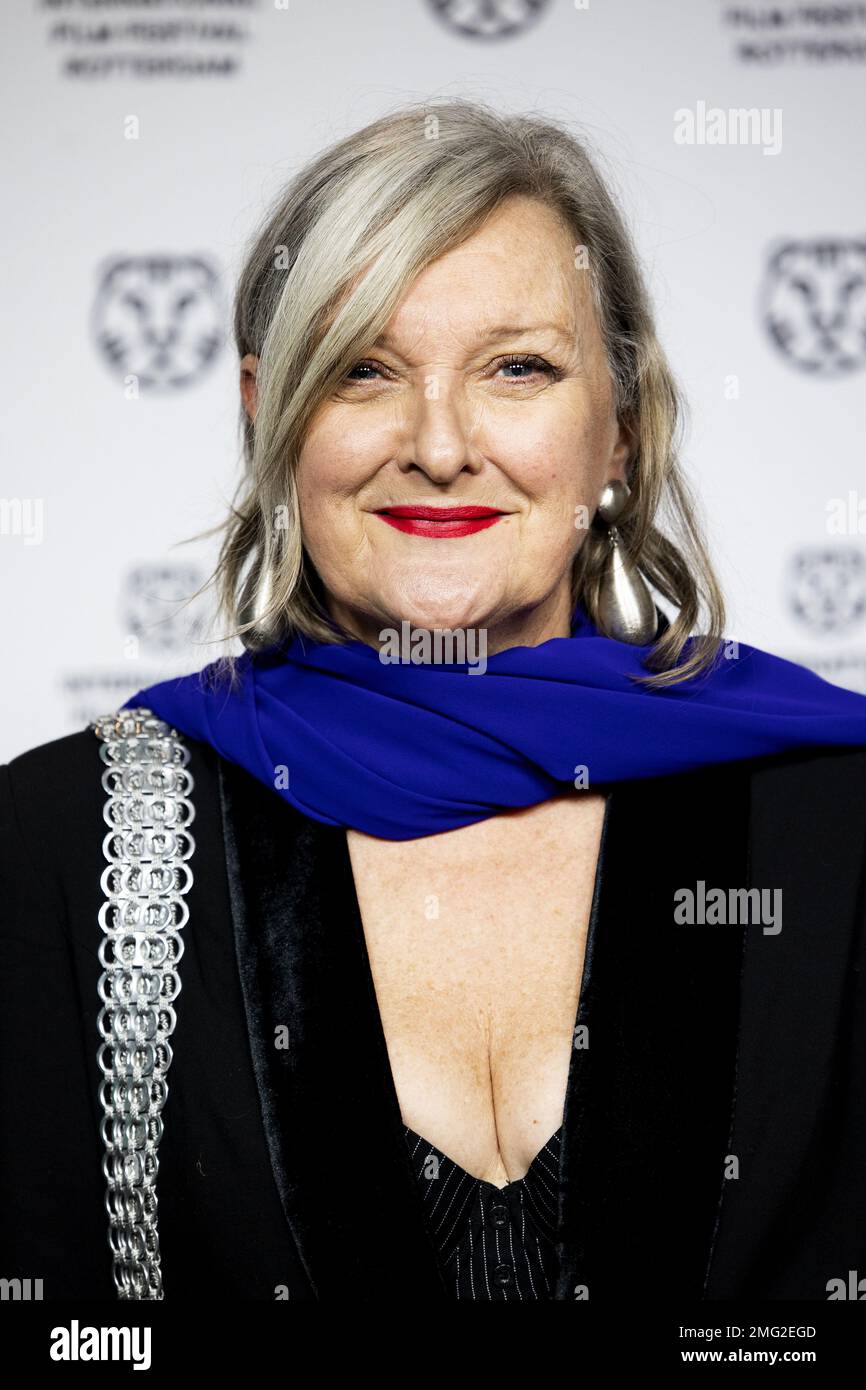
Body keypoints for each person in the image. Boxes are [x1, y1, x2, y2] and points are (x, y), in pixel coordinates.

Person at [3, 97, 866, 1304]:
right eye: (365, 369)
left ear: (616, 426)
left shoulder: (833, 819)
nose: (441, 445)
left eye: (517, 367)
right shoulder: (59, 841)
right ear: (267, 414)